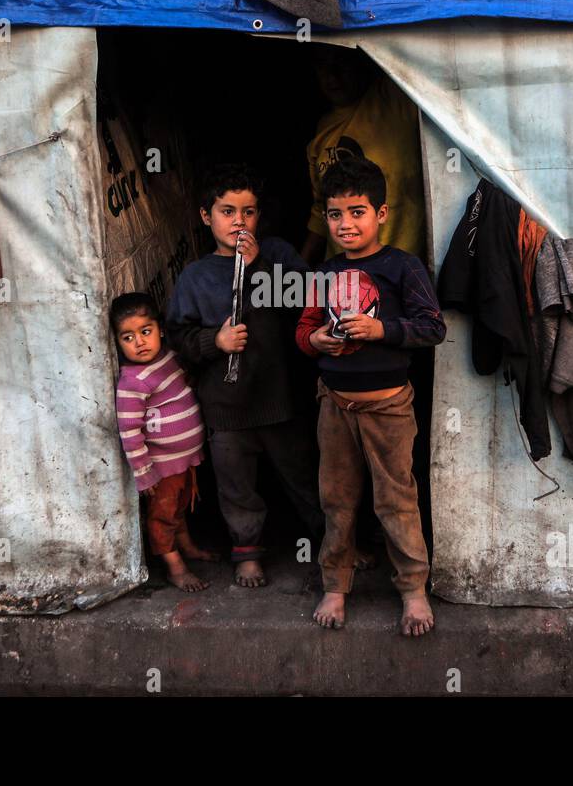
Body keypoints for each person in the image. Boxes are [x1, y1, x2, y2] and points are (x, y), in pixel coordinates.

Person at [296, 156, 445, 637]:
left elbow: (432, 327)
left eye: (357, 212)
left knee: (395, 500)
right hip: (334, 404)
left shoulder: (402, 266)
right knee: (336, 499)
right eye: (335, 214)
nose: (345, 224)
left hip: (387, 406)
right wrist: (316, 341)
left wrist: (381, 328)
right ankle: (336, 585)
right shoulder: (324, 273)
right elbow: (303, 330)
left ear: (381, 213)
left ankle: (413, 590)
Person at [166, 164, 325, 588]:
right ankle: (248, 551)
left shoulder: (277, 255)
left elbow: (307, 302)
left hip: (281, 398)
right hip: (227, 405)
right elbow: (178, 335)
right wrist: (212, 342)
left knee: (304, 476)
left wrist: (257, 267)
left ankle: (332, 546)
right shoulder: (195, 277)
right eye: (227, 211)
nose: (239, 220)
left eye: (248, 211)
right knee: (236, 487)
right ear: (206, 217)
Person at [111, 292, 216, 592]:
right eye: (128, 337)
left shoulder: (171, 357)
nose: (139, 342)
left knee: (179, 509)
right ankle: (174, 567)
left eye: (145, 332)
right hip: (161, 466)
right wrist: (144, 473)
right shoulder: (133, 380)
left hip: (184, 460)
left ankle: (188, 548)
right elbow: (129, 430)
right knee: (162, 517)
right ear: (118, 342)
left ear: (160, 330)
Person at [301, 45, 426, 264]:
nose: (332, 75)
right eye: (323, 65)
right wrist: (299, 269)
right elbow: (321, 208)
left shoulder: (393, 101)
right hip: (343, 276)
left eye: (341, 62)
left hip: (394, 271)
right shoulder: (321, 132)